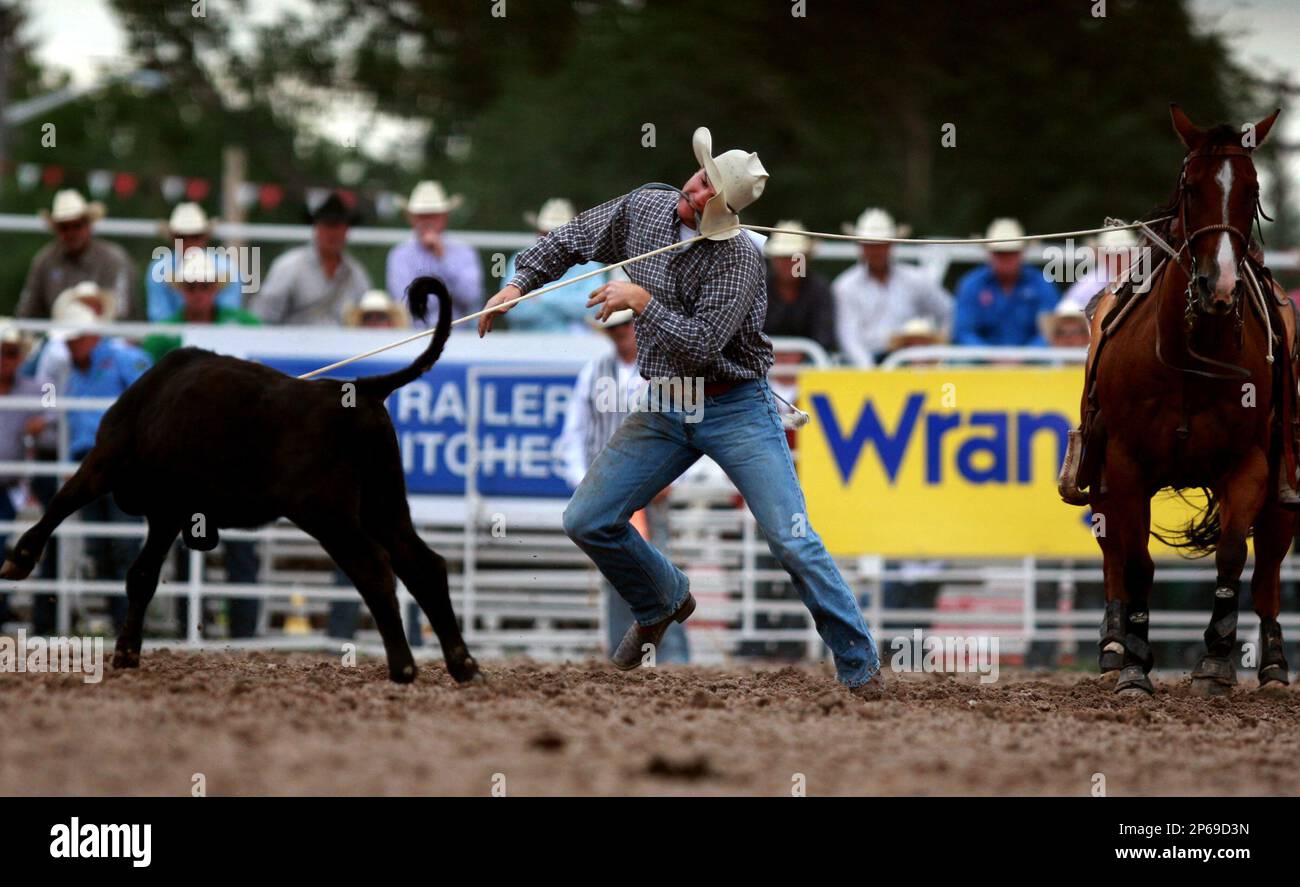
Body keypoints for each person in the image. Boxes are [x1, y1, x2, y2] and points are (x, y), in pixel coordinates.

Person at [478, 127, 883, 697]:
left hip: (734, 403)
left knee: (791, 538)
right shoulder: (645, 206)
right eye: (697, 182)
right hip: (667, 401)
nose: (691, 196)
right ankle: (663, 597)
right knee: (587, 519)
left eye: (704, 196)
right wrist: (519, 283)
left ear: (723, 211)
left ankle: (859, 665)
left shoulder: (741, 258)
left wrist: (642, 300)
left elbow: (702, 344)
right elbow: (573, 237)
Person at [559, 308, 689, 663]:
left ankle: (671, 659)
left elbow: (690, 428)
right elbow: (574, 435)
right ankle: (628, 654)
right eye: (614, 328)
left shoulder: (665, 371)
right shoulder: (594, 373)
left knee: (658, 569)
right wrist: (587, 485)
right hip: (613, 494)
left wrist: (670, 480)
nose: (620, 333)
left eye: (624, 325)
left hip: (652, 495)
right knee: (626, 573)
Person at [53, 293, 153, 632]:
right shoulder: (72, 372)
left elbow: (149, 401)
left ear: (93, 334)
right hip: (89, 465)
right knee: (100, 548)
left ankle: (129, 622)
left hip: (120, 462)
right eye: (69, 340)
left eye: (76, 338)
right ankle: (121, 623)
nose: (71, 345)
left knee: (123, 546)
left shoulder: (124, 358)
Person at [832, 208, 953, 365]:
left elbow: (948, 311)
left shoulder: (916, 280)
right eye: (870, 245)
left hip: (910, 360)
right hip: (865, 363)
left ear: (892, 245)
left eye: (882, 245)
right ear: (860, 247)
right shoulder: (845, 286)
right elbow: (848, 337)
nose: (876, 251)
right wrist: (871, 371)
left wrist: (938, 350)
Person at [17, 190, 138, 320]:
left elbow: (122, 312)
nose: (71, 233)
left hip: (107, 335)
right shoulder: (45, 260)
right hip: (57, 336)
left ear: (89, 225)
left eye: (77, 225)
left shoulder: (113, 259)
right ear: (56, 229)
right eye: (64, 227)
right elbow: (27, 311)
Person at [253, 192, 372, 325]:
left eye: (338, 225)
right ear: (317, 227)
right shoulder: (289, 266)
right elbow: (264, 316)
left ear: (346, 230)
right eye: (328, 224)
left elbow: (366, 317)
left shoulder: (356, 273)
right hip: (294, 343)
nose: (333, 232)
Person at [385, 181, 483, 327]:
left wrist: (443, 258)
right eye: (422, 216)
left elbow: (471, 296)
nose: (428, 221)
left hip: (460, 338)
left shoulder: (465, 251)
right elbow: (404, 305)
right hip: (413, 337)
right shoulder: (399, 255)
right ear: (412, 219)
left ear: (444, 217)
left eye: (433, 215)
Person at [502, 199, 608, 332]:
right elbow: (514, 312)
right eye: (545, 233)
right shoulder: (519, 259)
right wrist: (566, 305)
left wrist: (543, 298)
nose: (549, 240)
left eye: (556, 234)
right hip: (526, 343)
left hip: (576, 345)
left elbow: (593, 307)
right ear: (537, 233)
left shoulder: (590, 264)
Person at [953, 218, 1061, 346]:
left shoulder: (1042, 284)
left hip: (1032, 362)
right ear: (990, 254)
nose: (1006, 258)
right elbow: (963, 332)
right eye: (1000, 253)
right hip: (981, 362)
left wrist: (1024, 356)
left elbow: (1051, 332)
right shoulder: (971, 285)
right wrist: (990, 356)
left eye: (1011, 253)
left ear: (1022, 253)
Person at [0, 323, 45, 628]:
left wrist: (42, 421)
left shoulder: (36, 387)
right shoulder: (37, 387)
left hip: (9, 484)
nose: (5, 359)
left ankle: (2, 612)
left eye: (11, 353)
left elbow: (54, 411)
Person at [146, 202, 245, 322]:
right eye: (181, 237)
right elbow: (159, 319)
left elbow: (229, 316)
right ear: (172, 238)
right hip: (174, 339)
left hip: (218, 338)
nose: (189, 242)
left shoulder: (228, 268)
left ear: (206, 237)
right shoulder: (157, 269)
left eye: (195, 236)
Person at [762, 220, 836, 352]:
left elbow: (824, 337)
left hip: (811, 365)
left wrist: (800, 355)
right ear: (773, 259)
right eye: (781, 257)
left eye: (794, 256)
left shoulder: (819, 290)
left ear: (806, 258)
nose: (788, 262)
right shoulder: (759, 290)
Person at [1058, 227, 1140, 314]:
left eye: (1124, 254)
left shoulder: (1143, 278)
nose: (1118, 259)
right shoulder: (1088, 284)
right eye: (1111, 254)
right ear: (1103, 256)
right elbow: (1066, 314)